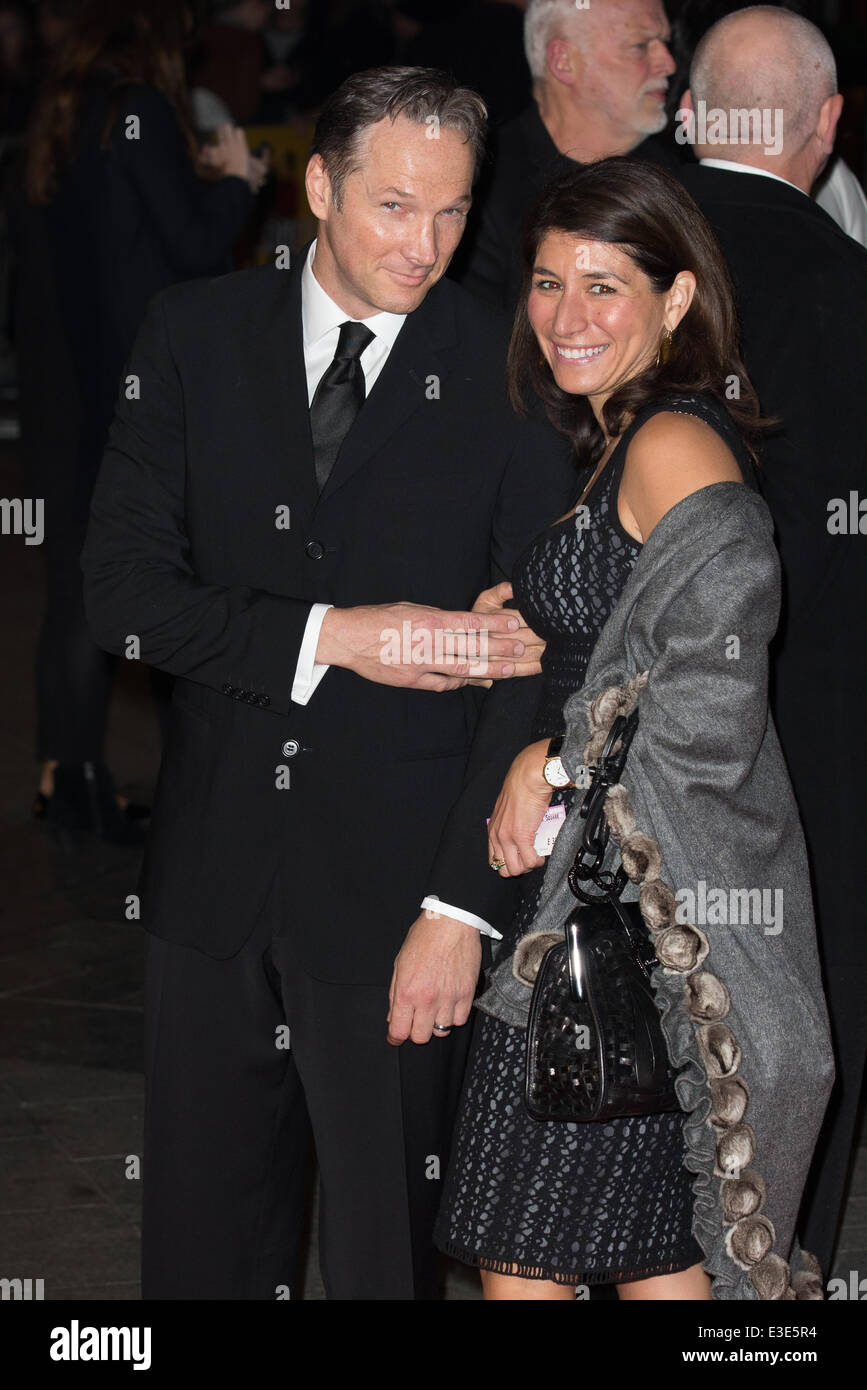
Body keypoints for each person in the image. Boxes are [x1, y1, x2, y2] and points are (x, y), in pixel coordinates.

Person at [80, 66, 577, 1299]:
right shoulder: (192, 337)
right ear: (316, 185)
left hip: (401, 904)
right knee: (200, 1258)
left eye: (455, 214)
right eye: (395, 208)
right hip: (213, 884)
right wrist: (334, 635)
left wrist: (461, 909)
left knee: (383, 1263)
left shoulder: (510, 362)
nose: (427, 246)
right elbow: (123, 600)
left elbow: (537, 663)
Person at [434, 156, 834, 1300]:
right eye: (549, 283)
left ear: (676, 300)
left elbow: (712, 691)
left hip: (625, 943)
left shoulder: (671, 444)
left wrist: (553, 759)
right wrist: (534, 621)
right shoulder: (620, 437)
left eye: (605, 286)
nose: (566, 315)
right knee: (647, 1260)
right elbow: (636, 630)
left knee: (534, 1262)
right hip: (612, 938)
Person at [677, 4, 867, 1282]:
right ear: (829, 129)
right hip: (830, 730)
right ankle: (777, 1276)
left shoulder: (615, 267)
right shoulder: (853, 292)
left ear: (692, 115)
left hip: (648, 727)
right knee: (815, 1012)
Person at [21, 0, 265, 841]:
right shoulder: (138, 107)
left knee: (86, 585)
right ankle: (199, 789)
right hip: (147, 388)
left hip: (80, 386)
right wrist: (237, 179)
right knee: (174, 584)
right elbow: (193, 248)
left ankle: (72, 774)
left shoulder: (68, 110)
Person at [451, 0, 685, 309]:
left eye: (664, 44)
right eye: (640, 45)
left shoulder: (678, 181)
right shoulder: (480, 181)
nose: (667, 63)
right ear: (563, 61)